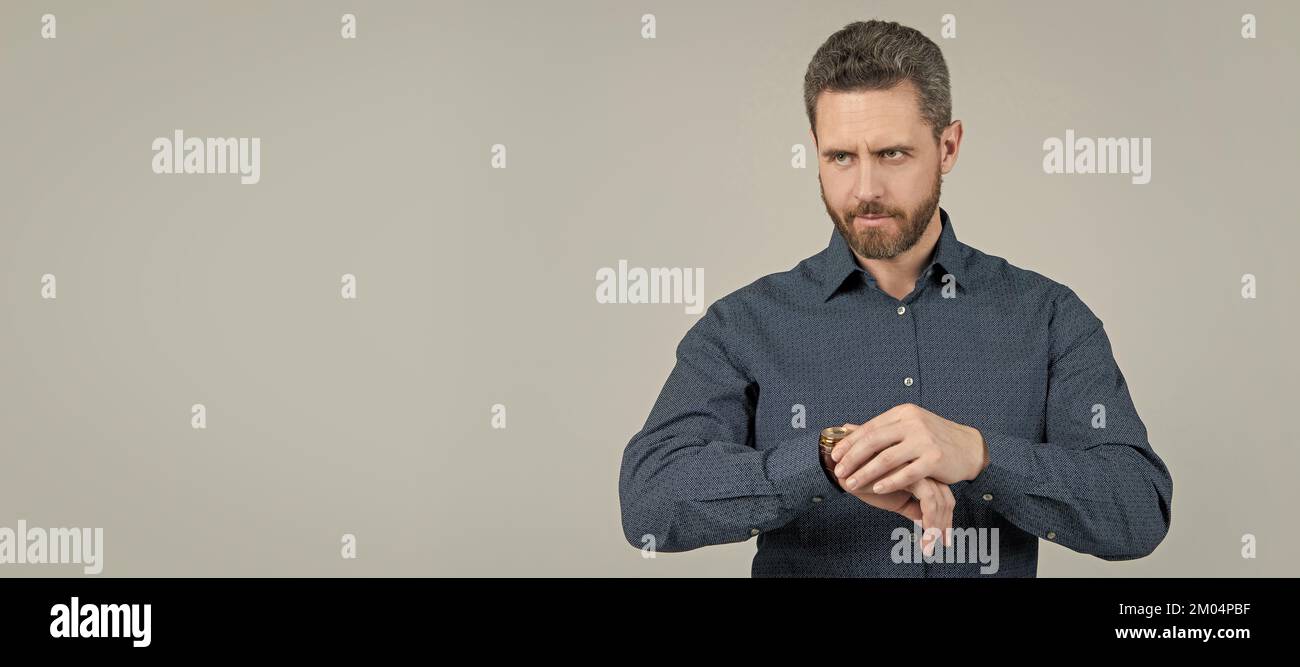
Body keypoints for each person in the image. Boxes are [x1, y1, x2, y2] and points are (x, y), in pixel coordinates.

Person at [618, 19, 1172, 577]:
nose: (865, 190)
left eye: (892, 154)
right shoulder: (744, 324)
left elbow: (1137, 509)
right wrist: (827, 461)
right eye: (840, 157)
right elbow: (649, 502)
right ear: (814, 150)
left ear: (948, 146)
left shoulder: (1048, 316)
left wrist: (982, 456)